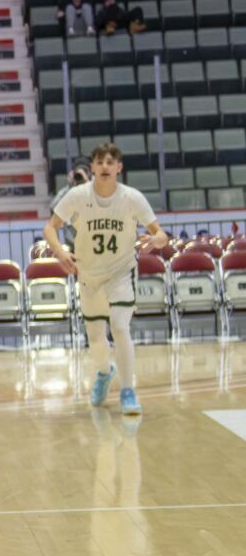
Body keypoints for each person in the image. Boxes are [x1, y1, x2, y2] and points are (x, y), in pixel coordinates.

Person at [44, 141, 168, 417]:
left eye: (110, 162)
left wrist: (156, 240)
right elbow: (50, 227)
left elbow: (160, 233)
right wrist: (60, 250)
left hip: (121, 271)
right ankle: (104, 372)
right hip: (89, 275)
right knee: (97, 338)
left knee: (120, 326)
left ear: (119, 168)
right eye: (99, 162)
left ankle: (128, 391)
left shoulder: (132, 198)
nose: (104, 167)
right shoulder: (77, 196)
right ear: (92, 167)